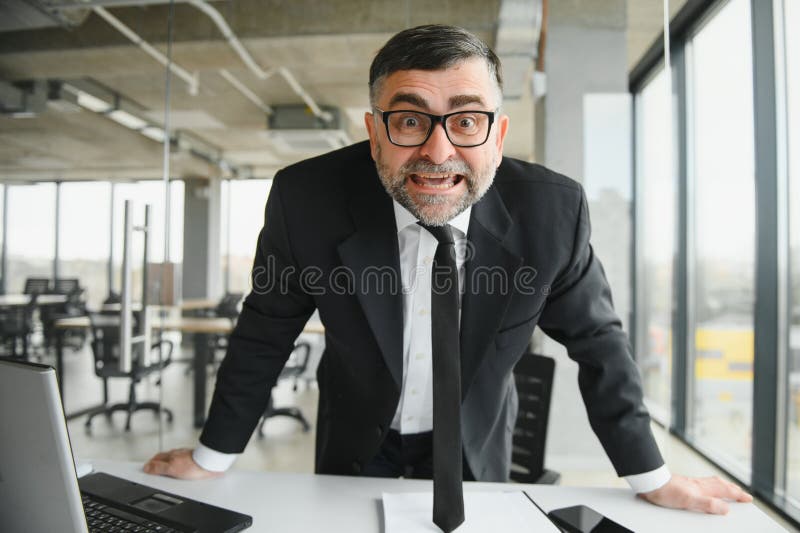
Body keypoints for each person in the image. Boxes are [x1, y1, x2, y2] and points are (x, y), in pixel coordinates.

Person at [145, 24, 751, 516]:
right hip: (356, 438)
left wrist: (651, 475)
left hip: (476, 440)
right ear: (375, 133)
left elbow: (598, 343)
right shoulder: (308, 199)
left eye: (465, 120)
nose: (438, 153)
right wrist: (212, 456)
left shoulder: (551, 212)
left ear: (498, 133)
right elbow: (265, 329)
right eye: (409, 120)